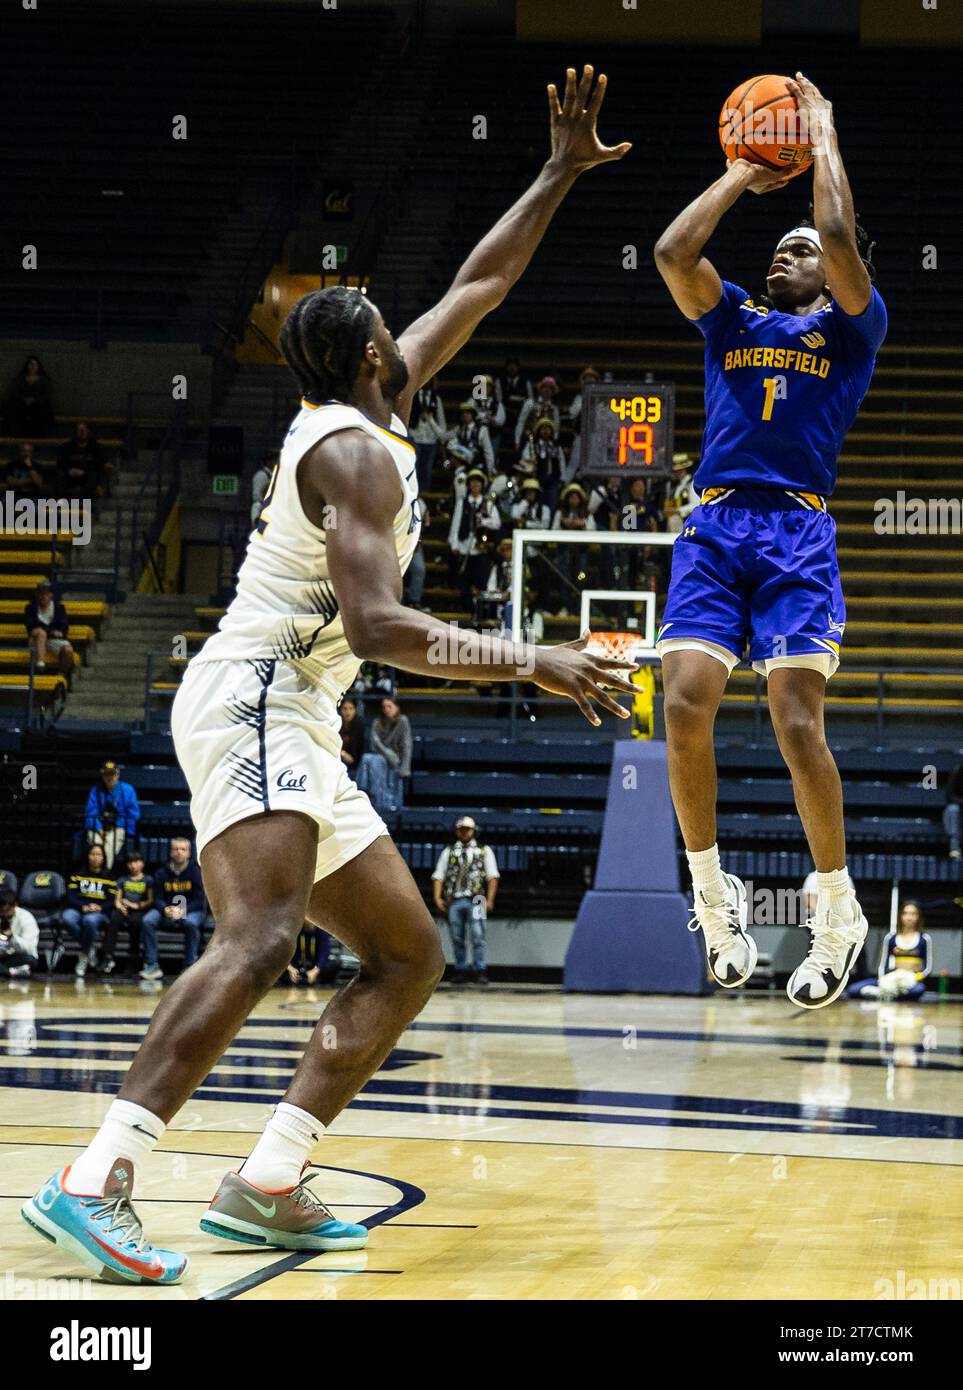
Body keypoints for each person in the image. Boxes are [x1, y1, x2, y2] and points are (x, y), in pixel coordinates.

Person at [23, 65, 635, 1284]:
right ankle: (94, 1180)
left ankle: (266, 1178)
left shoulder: (377, 405)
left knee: (409, 953)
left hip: (299, 705)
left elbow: (482, 283)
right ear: (362, 353)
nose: (385, 306)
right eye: (365, 304)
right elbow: (385, 626)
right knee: (253, 943)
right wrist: (540, 660)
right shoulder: (355, 455)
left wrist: (561, 170)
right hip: (254, 688)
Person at [652, 72, 886, 1011]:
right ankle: (713, 895)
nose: (787, 253)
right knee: (684, 701)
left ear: (833, 274)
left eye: (802, 249)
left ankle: (834, 908)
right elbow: (673, 249)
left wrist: (821, 134)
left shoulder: (852, 331)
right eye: (780, 247)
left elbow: (834, 232)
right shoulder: (731, 316)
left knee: (794, 718)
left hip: (797, 528)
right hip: (715, 521)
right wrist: (741, 172)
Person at [432, 816, 500, 985]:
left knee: (478, 935)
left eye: (467, 829)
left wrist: (490, 900)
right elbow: (439, 875)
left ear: (473, 831)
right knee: (457, 936)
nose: (464, 833)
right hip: (454, 898)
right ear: (456, 831)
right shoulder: (449, 851)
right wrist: (437, 898)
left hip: (478, 898)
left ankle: (480, 969)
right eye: (461, 829)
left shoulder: (484, 850)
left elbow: (492, 876)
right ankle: (461, 969)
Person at [139, 837, 206, 980]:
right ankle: (152, 965)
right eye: (176, 849)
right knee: (148, 920)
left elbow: (200, 900)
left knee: (191, 923)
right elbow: (157, 898)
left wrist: (183, 910)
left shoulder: (196, 872)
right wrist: (166, 909)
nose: (179, 852)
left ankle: (189, 965)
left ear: (189, 853)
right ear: (170, 852)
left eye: (183, 849)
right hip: (167, 910)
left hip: (191, 910)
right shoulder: (161, 873)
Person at [848, 902, 932, 1001]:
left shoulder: (924, 939)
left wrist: (915, 977)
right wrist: (884, 980)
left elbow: (928, 967)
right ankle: (889, 993)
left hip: (911, 981)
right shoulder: (891, 938)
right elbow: (883, 964)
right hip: (892, 978)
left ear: (918, 917)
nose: (909, 917)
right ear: (901, 916)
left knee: (918, 990)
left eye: (913, 914)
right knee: (853, 989)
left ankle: (883, 994)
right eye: (906, 913)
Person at [61, 843, 115, 978]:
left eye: (99, 854)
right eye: (92, 854)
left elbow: (112, 900)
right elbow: (70, 897)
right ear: (87, 856)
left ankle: (84, 956)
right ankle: (89, 949)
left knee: (89, 921)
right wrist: (83, 907)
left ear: (104, 857)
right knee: (67, 918)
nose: (95, 857)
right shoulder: (78, 874)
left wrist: (100, 907)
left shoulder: (109, 877)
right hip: (78, 908)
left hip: (99, 912)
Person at [101, 850, 154, 976]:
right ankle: (108, 957)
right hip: (124, 909)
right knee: (113, 920)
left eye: (136, 862)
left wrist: (136, 905)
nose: (133, 865)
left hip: (139, 909)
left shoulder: (148, 880)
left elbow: (150, 900)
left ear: (142, 864)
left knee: (135, 923)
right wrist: (120, 907)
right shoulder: (122, 880)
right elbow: (117, 900)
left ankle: (133, 960)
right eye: (130, 862)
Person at [84, 759, 140, 869]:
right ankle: (94, 871)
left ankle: (104, 872)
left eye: (113, 774)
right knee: (96, 845)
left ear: (118, 775)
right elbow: (90, 814)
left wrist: (117, 824)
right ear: (102, 776)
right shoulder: (95, 790)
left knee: (110, 843)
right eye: (106, 774)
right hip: (98, 827)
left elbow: (133, 815)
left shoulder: (128, 790)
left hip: (119, 827)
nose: (110, 777)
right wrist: (100, 829)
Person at [23, 578, 74, 678]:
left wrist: (48, 631)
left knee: (68, 650)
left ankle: (61, 676)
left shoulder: (59, 608)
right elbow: (30, 628)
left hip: (54, 640)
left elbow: (63, 628)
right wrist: (50, 631)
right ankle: (40, 665)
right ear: (37, 595)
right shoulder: (30, 608)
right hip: (36, 639)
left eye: (46, 594)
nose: (43, 596)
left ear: (51, 595)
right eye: (41, 593)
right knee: (40, 633)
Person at [408, 376, 447, 495]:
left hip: (430, 439)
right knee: (415, 466)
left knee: (427, 468)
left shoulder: (436, 399)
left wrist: (440, 435)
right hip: (416, 436)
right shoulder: (413, 397)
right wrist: (410, 433)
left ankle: (425, 491)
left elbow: (441, 419)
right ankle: (414, 491)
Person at [2, 355, 54, 436]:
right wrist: (24, 399)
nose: (33, 366)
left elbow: (47, 394)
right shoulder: (20, 379)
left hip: (38, 406)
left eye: (35, 364)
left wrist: (35, 399)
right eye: (30, 364)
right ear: (27, 366)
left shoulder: (44, 380)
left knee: (45, 409)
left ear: (38, 366)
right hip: (21, 405)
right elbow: (14, 393)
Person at [56, 421, 106, 501]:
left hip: (87, 476)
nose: (82, 432)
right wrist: (69, 470)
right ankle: (62, 502)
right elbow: (60, 462)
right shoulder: (67, 446)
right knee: (59, 474)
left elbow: (99, 464)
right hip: (70, 475)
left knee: (93, 475)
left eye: (84, 429)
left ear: (88, 431)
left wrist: (84, 472)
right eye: (79, 430)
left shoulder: (95, 447)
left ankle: (85, 503)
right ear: (75, 432)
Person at [0, 888, 40, 979]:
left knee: (30, 961)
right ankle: (11, 972)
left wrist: (12, 938)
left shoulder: (26, 918)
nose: (5, 915)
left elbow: (30, 949)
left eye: (6, 911)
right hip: (2, 956)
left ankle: (4, 972)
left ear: (15, 905)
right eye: (1, 913)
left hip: (19, 957)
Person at [515, 374, 561, 448]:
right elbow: (521, 422)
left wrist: (554, 442)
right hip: (529, 440)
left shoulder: (554, 409)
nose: (547, 390)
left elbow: (556, 428)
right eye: (545, 387)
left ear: (553, 392)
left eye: (550, 388)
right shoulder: (530, 403)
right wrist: (517, 441)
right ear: (540, 389)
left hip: (546, 443)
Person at [338, 695, 365, 776]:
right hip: (339, 757)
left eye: (351, 708)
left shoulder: (359, 725)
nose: (348, 712)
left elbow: (356, 755)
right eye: (345, 709)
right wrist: (342, 753)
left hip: (354, 761)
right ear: (340, 710)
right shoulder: (336, 724)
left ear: (355, 710)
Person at [250, 450, 278, 526]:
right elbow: (257, 498)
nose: (277, 463)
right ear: (268, 462)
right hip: (262, 510)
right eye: (275, 460)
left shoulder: (274, 475)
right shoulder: (261, 475)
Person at [943, 759, 963, 860]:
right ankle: (954, 849)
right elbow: (949, 795)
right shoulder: (958, 771)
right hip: (958, 808)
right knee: (953, 809)